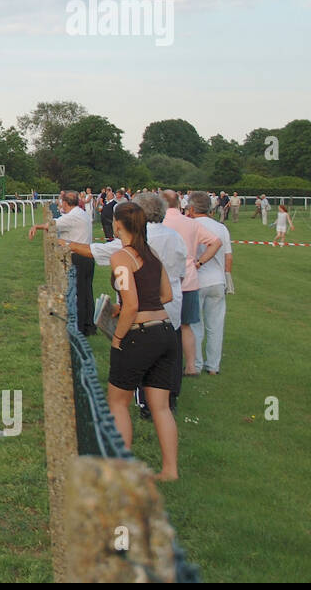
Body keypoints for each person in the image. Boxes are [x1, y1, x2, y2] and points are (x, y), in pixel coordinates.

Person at [61, 191, 186, 414]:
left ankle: (143, 403)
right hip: (170, 311)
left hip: (141, 318)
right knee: (167, 372)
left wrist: (65, 243)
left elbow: (95, 251)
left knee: (129, 381)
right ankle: (170, 398)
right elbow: (178, 275)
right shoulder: (174, 236)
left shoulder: (133, 246)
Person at [103, 202, 180, 480]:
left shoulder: (121, 258)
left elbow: (132, 304)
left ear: (118, 224)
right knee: (160, 406)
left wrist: (118, 338)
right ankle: (170, 470)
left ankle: (120, 471)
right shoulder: (153, 254)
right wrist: (126, 309)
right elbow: (166, 295)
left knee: (118, 403)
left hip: (140, 334)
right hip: (166, 332)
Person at [161, 190, 220, 376]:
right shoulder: (191, 223)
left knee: (164, 324)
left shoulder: (159, 223)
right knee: (186, 325)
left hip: (166, 280)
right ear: (179, 202)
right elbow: (215, 242)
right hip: (189, 278)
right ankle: (191, 365)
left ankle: (167, 363)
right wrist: (199, 262)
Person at [29, 190, 95, 334]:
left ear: (65, 203)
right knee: (87, 292)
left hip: (78, 256)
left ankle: (81, 328)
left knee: (78, 293)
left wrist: (36, 226)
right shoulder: (82, 213)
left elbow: (51, 225)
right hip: (88, 256)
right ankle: (89, 326)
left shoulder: (72, 217)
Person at [188, 191, 232, 374]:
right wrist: (227, 278)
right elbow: (228, 257)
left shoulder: (190, 226)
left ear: (191, 208)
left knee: (195, 325)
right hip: (217, 280)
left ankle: (196, 364)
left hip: (197, 280)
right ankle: (213, 365)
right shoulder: (221, 228)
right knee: (215, 326)